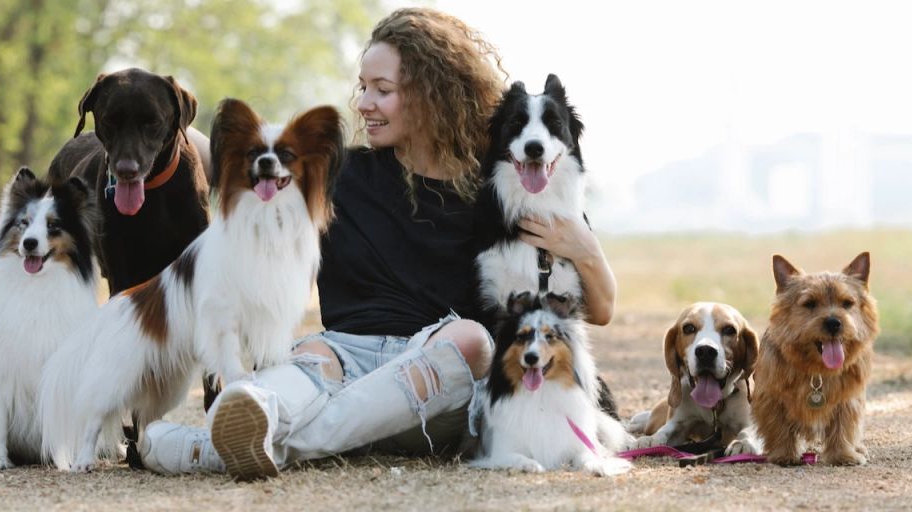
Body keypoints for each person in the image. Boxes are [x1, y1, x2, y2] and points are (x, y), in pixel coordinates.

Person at [137, 7, 617, 480]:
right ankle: (254, 422)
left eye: (382, 90)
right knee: (311, 357)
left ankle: (215, 450)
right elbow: (234, 154)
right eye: (363, 87)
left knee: (471, 339)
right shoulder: (340, 174)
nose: (364, 102)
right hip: (345, 357)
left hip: (434, 384)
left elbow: (598, 309)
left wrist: (586, 248)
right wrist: (150, 124)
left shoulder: (499, 192)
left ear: (434, 96)